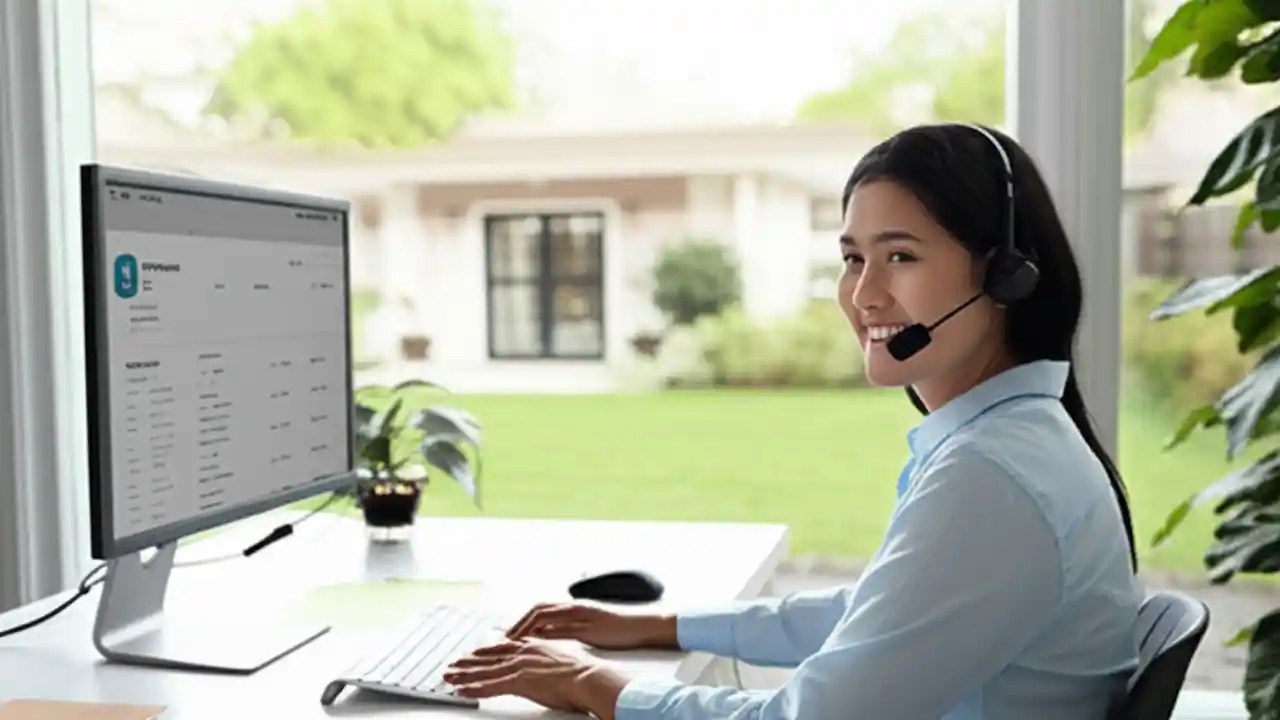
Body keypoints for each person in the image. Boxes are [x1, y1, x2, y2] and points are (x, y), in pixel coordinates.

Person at [442, 122, 1144, 719]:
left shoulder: (994, 477)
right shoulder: (1010, 442)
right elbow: (880, 615)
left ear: (1004, 277)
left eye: (900, 256)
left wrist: (598, 684)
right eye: (852, 259)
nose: (864, 295)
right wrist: (666, 626)